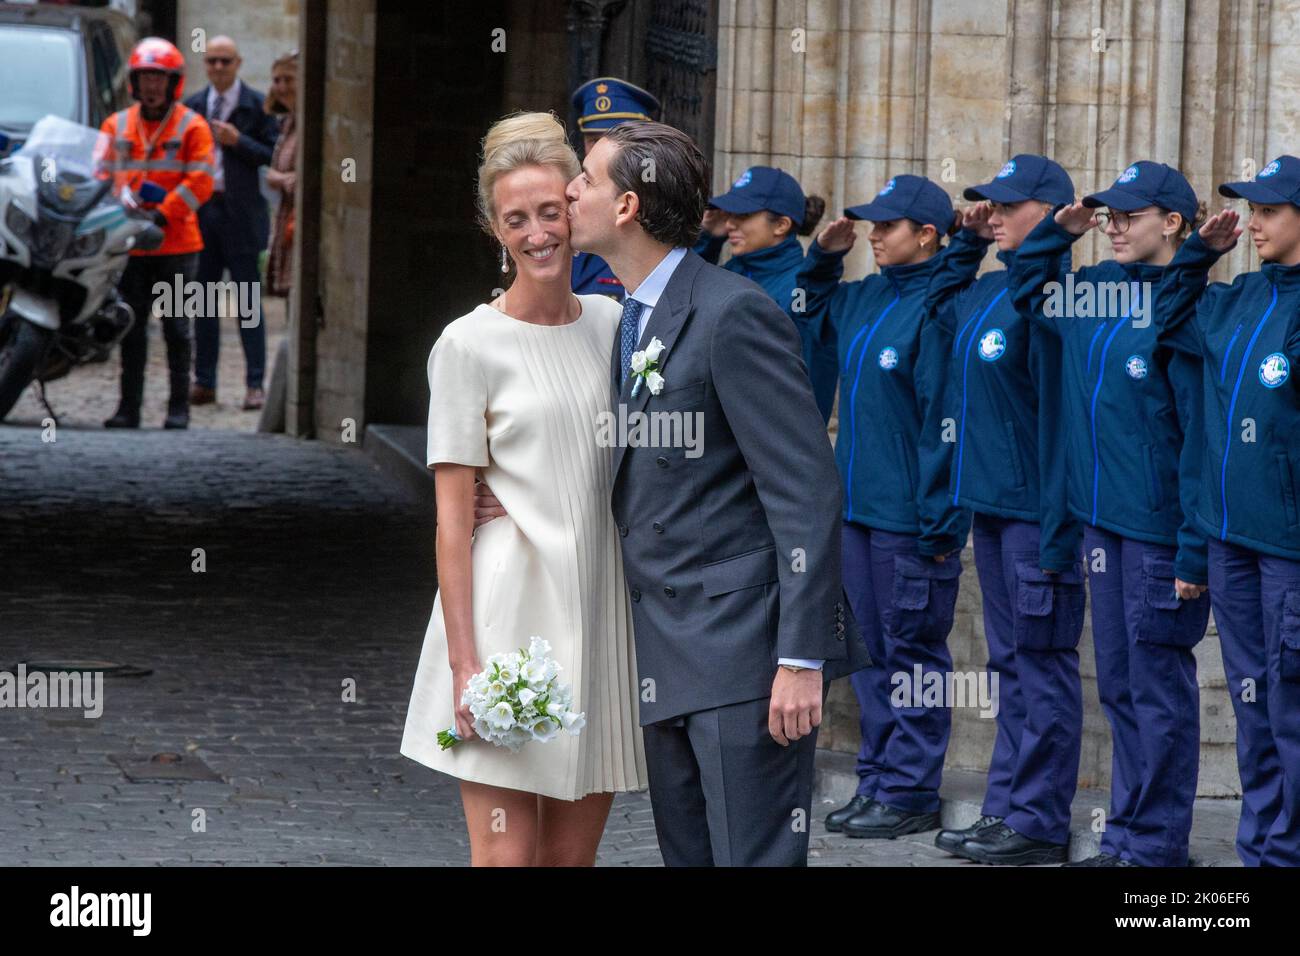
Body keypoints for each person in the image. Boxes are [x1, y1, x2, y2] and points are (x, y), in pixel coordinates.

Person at [563, 120, 871, 866]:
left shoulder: (733, 313)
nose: (568, 192)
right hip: (662, 649)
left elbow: (806, 489)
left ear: (628, 207)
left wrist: (799, 658)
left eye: (586, 180)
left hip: (744, 655)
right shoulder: (626, 316)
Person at [399, 112, 648, 867]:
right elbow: (451, 523)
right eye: (517, 220)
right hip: (507, 623)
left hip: (601, 614)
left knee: (570, 863)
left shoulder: (617, 326)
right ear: (495, 231)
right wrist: (467, 666)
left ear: (576, 208)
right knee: (509, 861)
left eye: (550, 212)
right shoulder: (467, 344)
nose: (539, 233)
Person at [1010, 161, 1211, 866]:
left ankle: (1156, 848)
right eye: (1109, 217)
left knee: (1157, 693)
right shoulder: (1095, 290)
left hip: (1155, 533)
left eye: (1129, 217)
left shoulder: (1183, 308)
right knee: (1122, 689)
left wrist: (1193, 550)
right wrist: (1054, 236)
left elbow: (1198, 440)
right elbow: (1025, 292)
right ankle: (1126, 836)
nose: (1114, 228)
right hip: (1101, 525)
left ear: (1174, 224)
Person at [924, 155, 1086, 865]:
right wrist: (963, 242)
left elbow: (1060, 425)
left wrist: (1056, 536)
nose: (991, 213)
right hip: (990, 507)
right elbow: (933, 310)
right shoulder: (989, 288)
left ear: (1049, 215)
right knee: (1010, 667)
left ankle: (1040, 824)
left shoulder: (1055, 294)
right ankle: (1006, 810)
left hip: (1033, 513)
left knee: (1040, 666)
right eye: (986, 204)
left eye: (1006, 206)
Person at [799, 174, 971, 838]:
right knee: (869, 652)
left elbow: (943, 422)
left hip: (908, 518)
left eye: (887, 226)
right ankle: (880, 781)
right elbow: (803, 312)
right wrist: (822, 260)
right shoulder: (867, 295)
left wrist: (939, 521)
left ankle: (911, 787)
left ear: (926, 236)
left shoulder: (939, 304)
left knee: (912, 652)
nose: (873, 233)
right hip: (860, 512)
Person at [1155, 154, 1300, 866]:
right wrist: (1197, 255)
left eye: (1269, 212)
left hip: (1288, 548)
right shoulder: (1238, 296)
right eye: (1252, 210)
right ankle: (1262, 852)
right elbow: (1165, 319)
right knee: (1253, 706)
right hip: (1229, 542)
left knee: (1291, 708)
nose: (1255, 224)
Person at [100, 38, 214, 430]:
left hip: (176, 244)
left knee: (177, 328)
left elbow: (201, 179)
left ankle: (178, 408)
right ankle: (128, 408)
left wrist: (163, 215)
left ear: (173, 82)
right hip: (130, 244)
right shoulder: (116, 124)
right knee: (130, 328)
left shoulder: (192, 126)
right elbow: (100, 175)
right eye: (146, 77)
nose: (152, 86)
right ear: (134, 80)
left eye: (159, 78)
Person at [185, 36, 282, 411]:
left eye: (226, 61)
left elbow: (274, 154)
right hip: (204, 211)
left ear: (238, 63)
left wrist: (237, 140)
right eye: (212, 61)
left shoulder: (258, 105)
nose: (219, 68)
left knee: (247, 303)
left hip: (242, 214)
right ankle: (204, 381)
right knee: (203, 301)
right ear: (206, 65)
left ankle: (254, 384)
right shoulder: (193, 107)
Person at [704, 166, 834, 421]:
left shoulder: (801, 289)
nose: (729, 223)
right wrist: (707, 239)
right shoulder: (731, 270)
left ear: (782, 225)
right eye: (730, 213)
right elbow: (678, 301)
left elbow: (807, 389)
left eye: (744, 215)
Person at [569, 77, 661, 301]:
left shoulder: (661, 206)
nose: (599, 148)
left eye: (610, 139)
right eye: (592, 139)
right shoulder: (574, 198)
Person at [264, 51, 298, 300]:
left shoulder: (305, 124)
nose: (282, 87)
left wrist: (281, 178)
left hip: (298, 224)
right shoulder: (287, 122)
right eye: (277, 80)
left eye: (288, 79)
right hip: (285, 219)